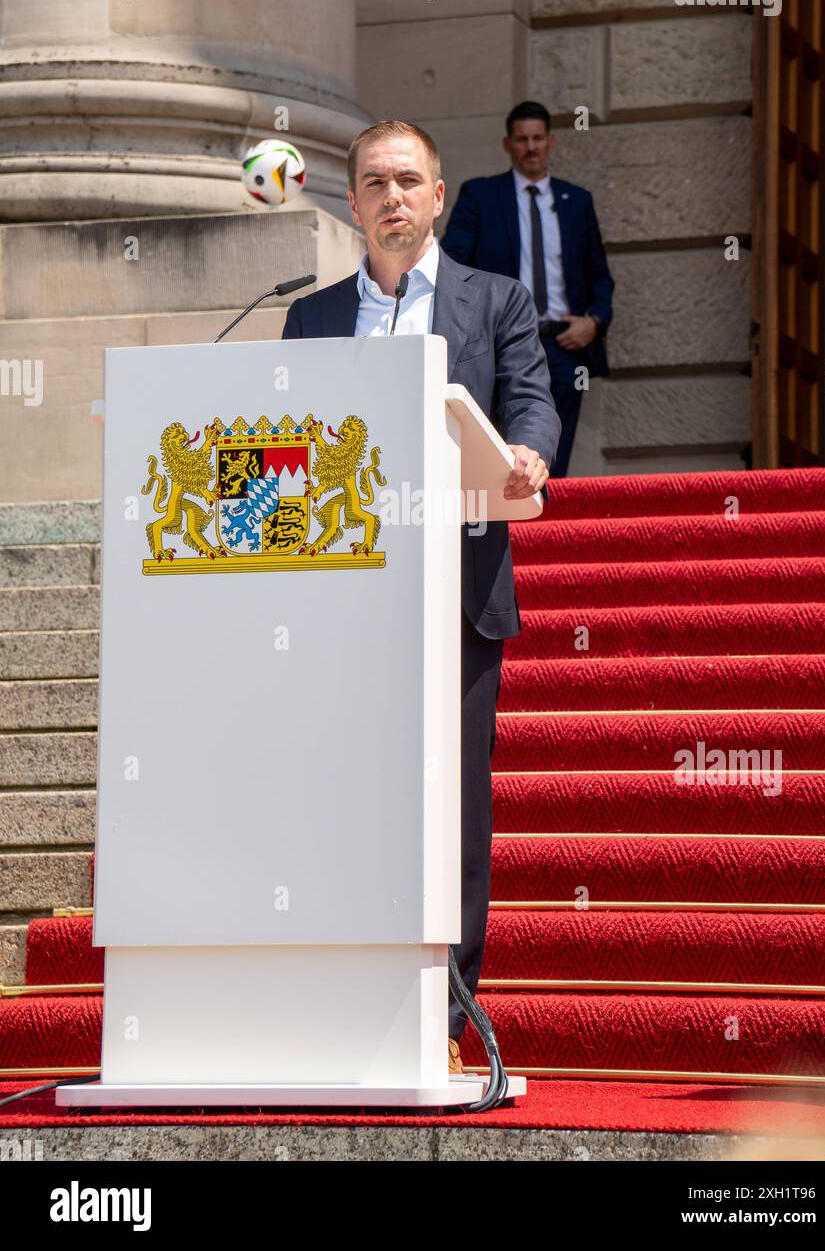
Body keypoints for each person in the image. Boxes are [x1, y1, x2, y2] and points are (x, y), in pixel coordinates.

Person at [282, 120, 560, 1073]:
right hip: (336, 601)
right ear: (351, 204)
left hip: (457, 590)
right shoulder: (310, 319)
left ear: (440, 196)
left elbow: (530, 399)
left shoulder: (497, 302)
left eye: (409, 180)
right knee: (335, 795)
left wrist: (527, 454)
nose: (392, 196)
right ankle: (333, 997)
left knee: (455, 807)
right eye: (374, 183)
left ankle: (445, 1014)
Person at [441, 100, 614, 477]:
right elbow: (451, 265)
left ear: (551, 141)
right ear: (508, 144)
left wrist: (594, 322)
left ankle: (547, 531)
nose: (531, 147)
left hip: (563, 346)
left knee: (555, 455)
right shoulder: (481, 197)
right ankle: (504, 530)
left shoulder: (577, 202)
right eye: (522, 140)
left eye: (538, 138)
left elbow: (600, 276)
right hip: (500, 344)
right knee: (500, 447)